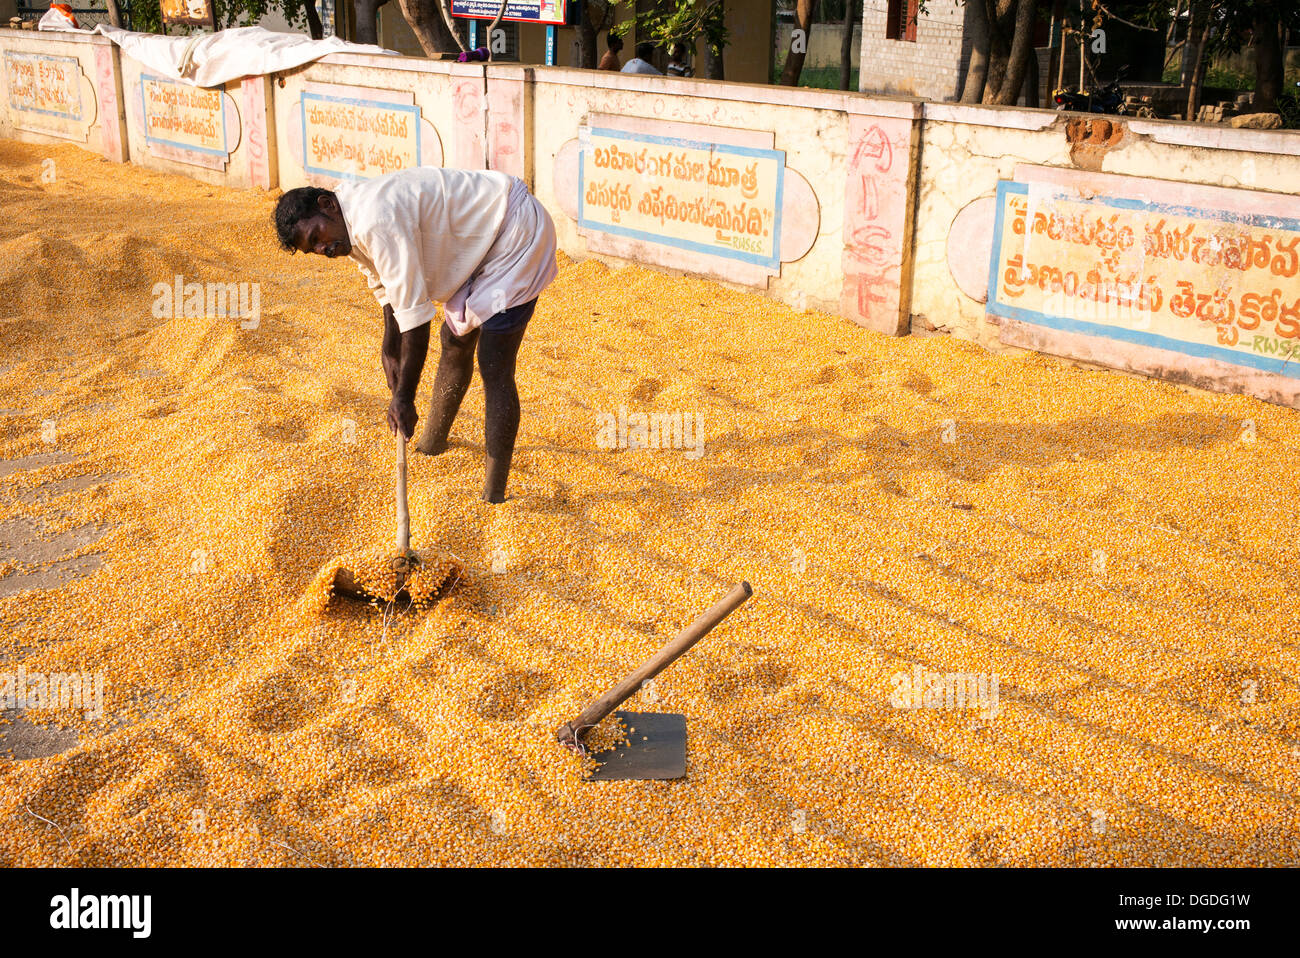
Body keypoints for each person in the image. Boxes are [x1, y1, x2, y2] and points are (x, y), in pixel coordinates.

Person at [273, 168, 558, 504]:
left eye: (318, 236)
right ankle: (433, 444)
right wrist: (389, 347)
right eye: (314, 249)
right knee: (455, 340)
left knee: (494, 363)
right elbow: (386, 286)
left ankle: (493, 495)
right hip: (479, 245)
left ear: (326, 205)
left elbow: (416, 320)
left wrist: (404, 398)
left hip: (514, 232)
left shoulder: (373, 220)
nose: (324, 249)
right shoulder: (346, 228)